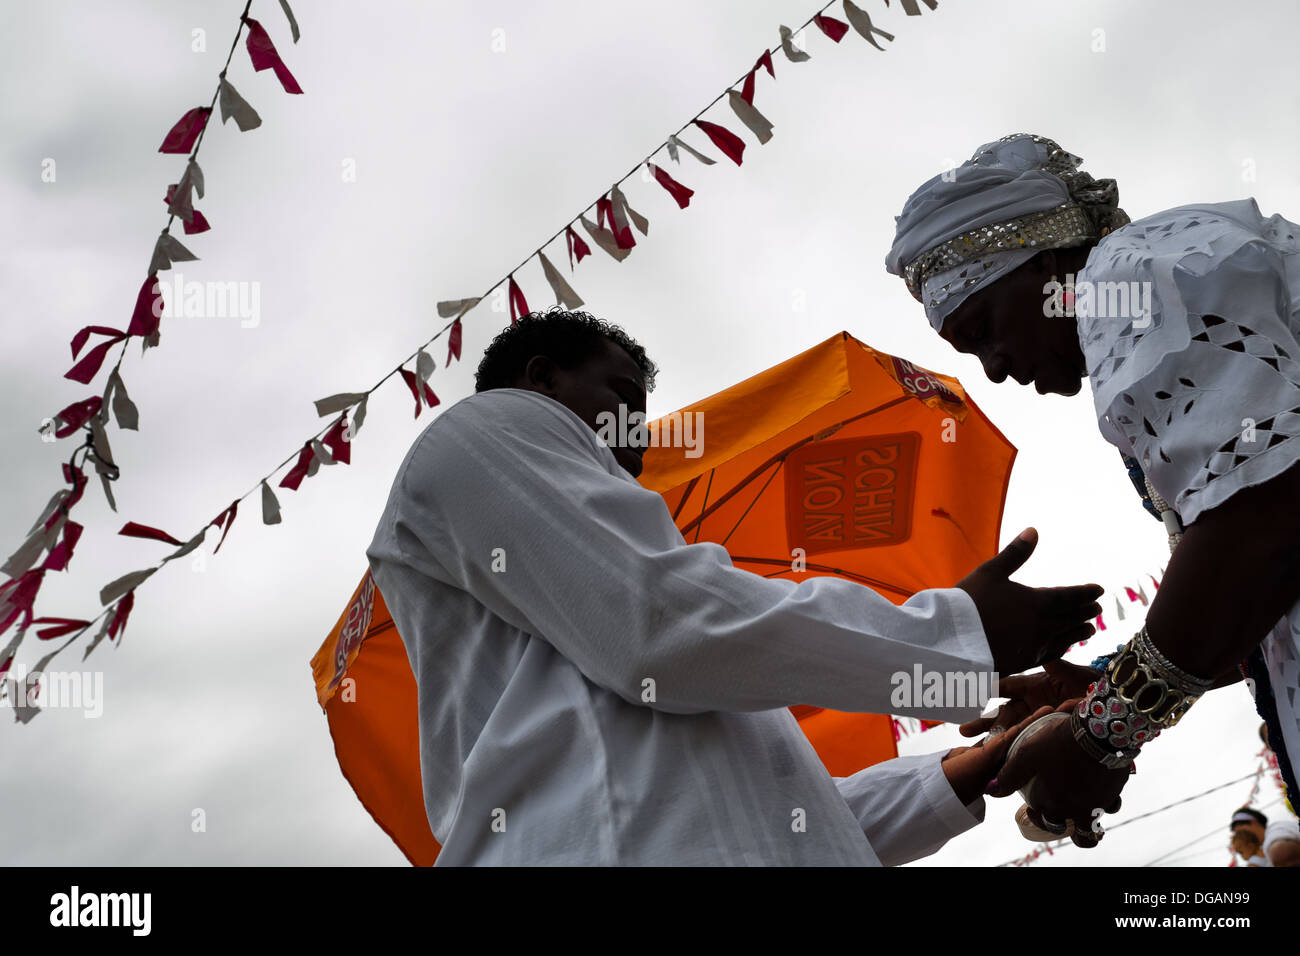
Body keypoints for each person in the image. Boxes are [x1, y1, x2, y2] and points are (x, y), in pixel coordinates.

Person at [364, 308, 1102, 865]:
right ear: (541, 377)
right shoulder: (489, 428)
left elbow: (792, 824)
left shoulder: (688, 660)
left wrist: (992, 756)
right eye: (619, 396)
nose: (638, 438)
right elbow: (661, 627)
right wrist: (959, 632)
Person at [884, 133, 1300, 847]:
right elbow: (1266, 582)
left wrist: (1103, 731)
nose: (995, 368)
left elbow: (1264, 519)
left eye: (983, 330)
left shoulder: (1127, 276)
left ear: (1044, 261)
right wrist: (1102, 685)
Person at [1229, 807, 1300, 867]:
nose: (1240, 836)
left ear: (1253, 822)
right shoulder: (1263, 850)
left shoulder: (1276, 829)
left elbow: (1283, 854)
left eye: (1241, 832)